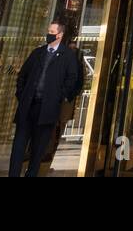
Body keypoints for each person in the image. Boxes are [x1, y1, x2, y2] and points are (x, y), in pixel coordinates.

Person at [9, 19, 83, 177]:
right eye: (48, 31)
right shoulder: (38, 52)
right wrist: (21, 94)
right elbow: (22, 75)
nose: (48, 34)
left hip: (47, 109)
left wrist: (59, 96)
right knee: (18, 146)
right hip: (28, 106)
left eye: (51, 32)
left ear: (60, 35)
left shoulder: (67, 56)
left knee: (38, 148)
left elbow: (72, 79)